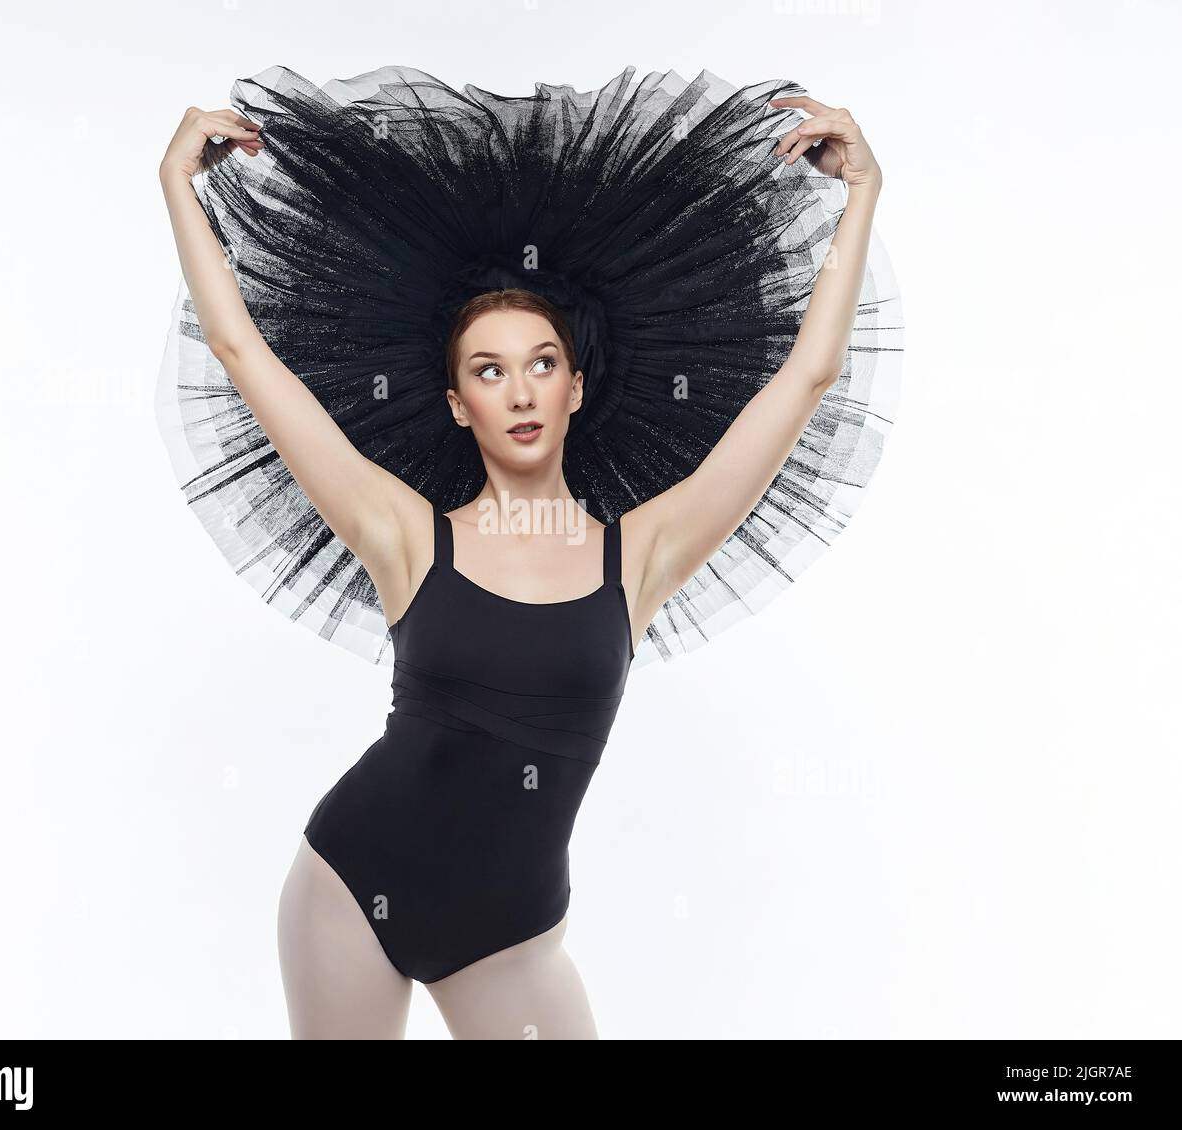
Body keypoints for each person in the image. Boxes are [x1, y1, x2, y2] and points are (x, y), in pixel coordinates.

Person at [158, 78, 884, 1039]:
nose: (521, 390)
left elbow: (807, 375)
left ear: (577, 385)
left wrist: (863, 192)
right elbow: (241, 349)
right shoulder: (407, 534)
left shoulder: (643, 553)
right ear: (459, 404)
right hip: (351, 888)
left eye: (542, 362)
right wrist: (177, 184)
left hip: (510, 936)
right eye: (488, 371)